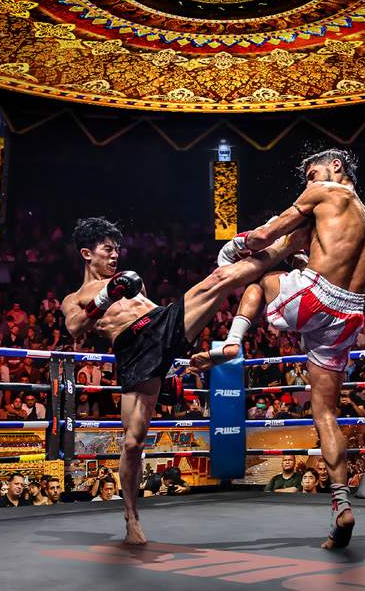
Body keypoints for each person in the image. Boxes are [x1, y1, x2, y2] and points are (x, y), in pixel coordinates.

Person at [62, 215, 302, 545]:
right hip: (132, 353)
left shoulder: (130, 280)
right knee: (133, 442)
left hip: (162, 323)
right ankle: (131, 517)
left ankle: (290, 241)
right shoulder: (75, 297)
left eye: (118, 249)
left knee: (218, 279)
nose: (116, 256)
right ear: (87, 253)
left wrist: (169, 363)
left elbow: (151, 319)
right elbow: (75, 328)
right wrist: (105, 297)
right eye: (108, 250)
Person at [188, 149, 365, 549]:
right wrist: (302, 253)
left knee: (259, 282)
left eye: (312, 173)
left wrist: (236, 244)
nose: (309, 181)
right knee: (325, 412)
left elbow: (263, 236)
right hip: (351, 315)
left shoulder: (325, 193)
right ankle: (341, 503)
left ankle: (232, 344)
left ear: (336, 167)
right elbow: (328, 254)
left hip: (319, 297)